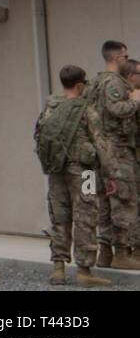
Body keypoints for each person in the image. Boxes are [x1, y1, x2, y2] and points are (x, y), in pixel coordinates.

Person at [35, 64, 111, 287]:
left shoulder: (50, 107)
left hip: (56, 170)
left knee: (59, 217)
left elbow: (39, 136)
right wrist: (110, 175)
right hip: (84, 171)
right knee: (86, 215)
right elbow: (101, 144)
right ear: (79, 85)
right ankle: (84, 271)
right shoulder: (87, 109)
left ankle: (58, 269)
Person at [91, 40, 140, 269]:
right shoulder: (114, 83)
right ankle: (122, 253)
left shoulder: (95, 83)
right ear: (116, 58)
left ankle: (104, 253)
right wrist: (135, 102)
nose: (127, 60)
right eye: (125, 56)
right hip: (117, 152)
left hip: (99, 152)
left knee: (104, 202)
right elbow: (117, 109)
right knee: (123, 200)